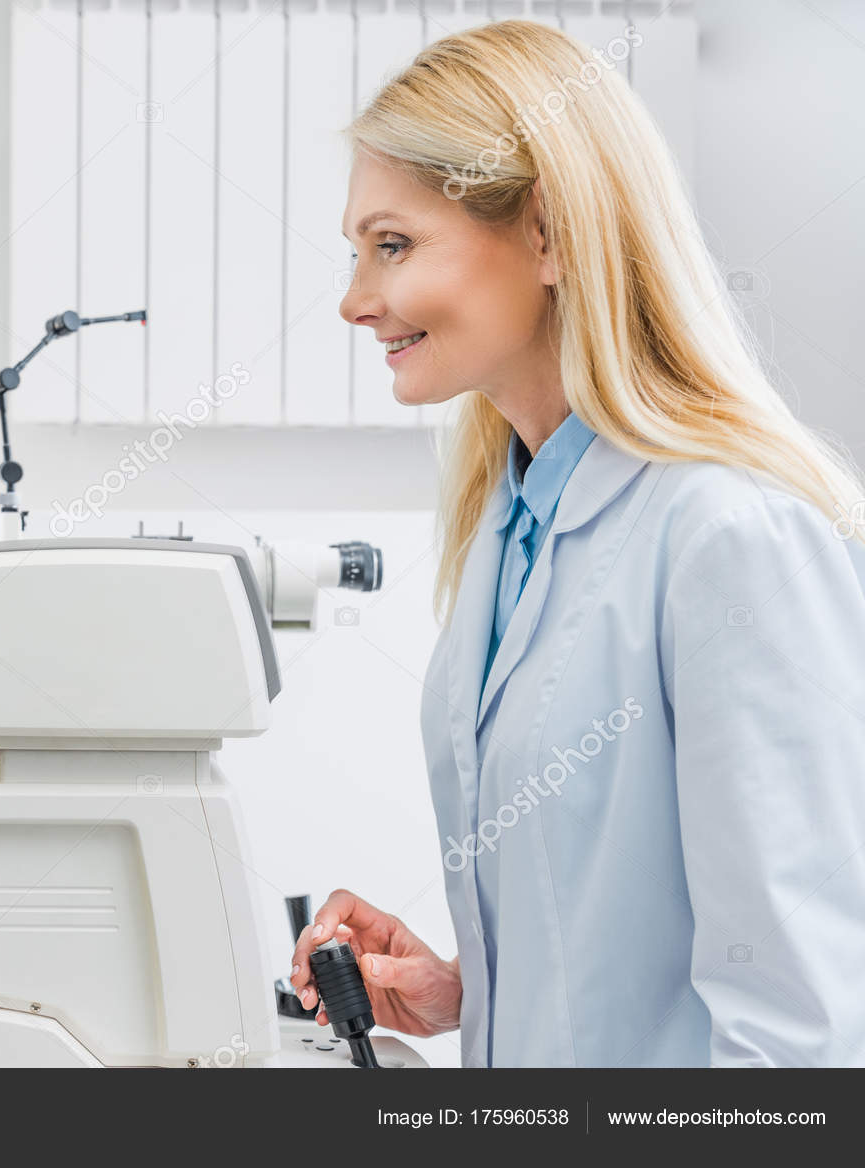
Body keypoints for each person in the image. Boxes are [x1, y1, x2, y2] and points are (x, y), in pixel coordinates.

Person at [289, 20, 865, 1066]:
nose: (356, 300)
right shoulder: (507, 524)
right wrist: (473, 990)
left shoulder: (731, 535)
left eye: (393, 245)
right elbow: (628, 937)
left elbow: (803, 1033)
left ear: (548, 234)